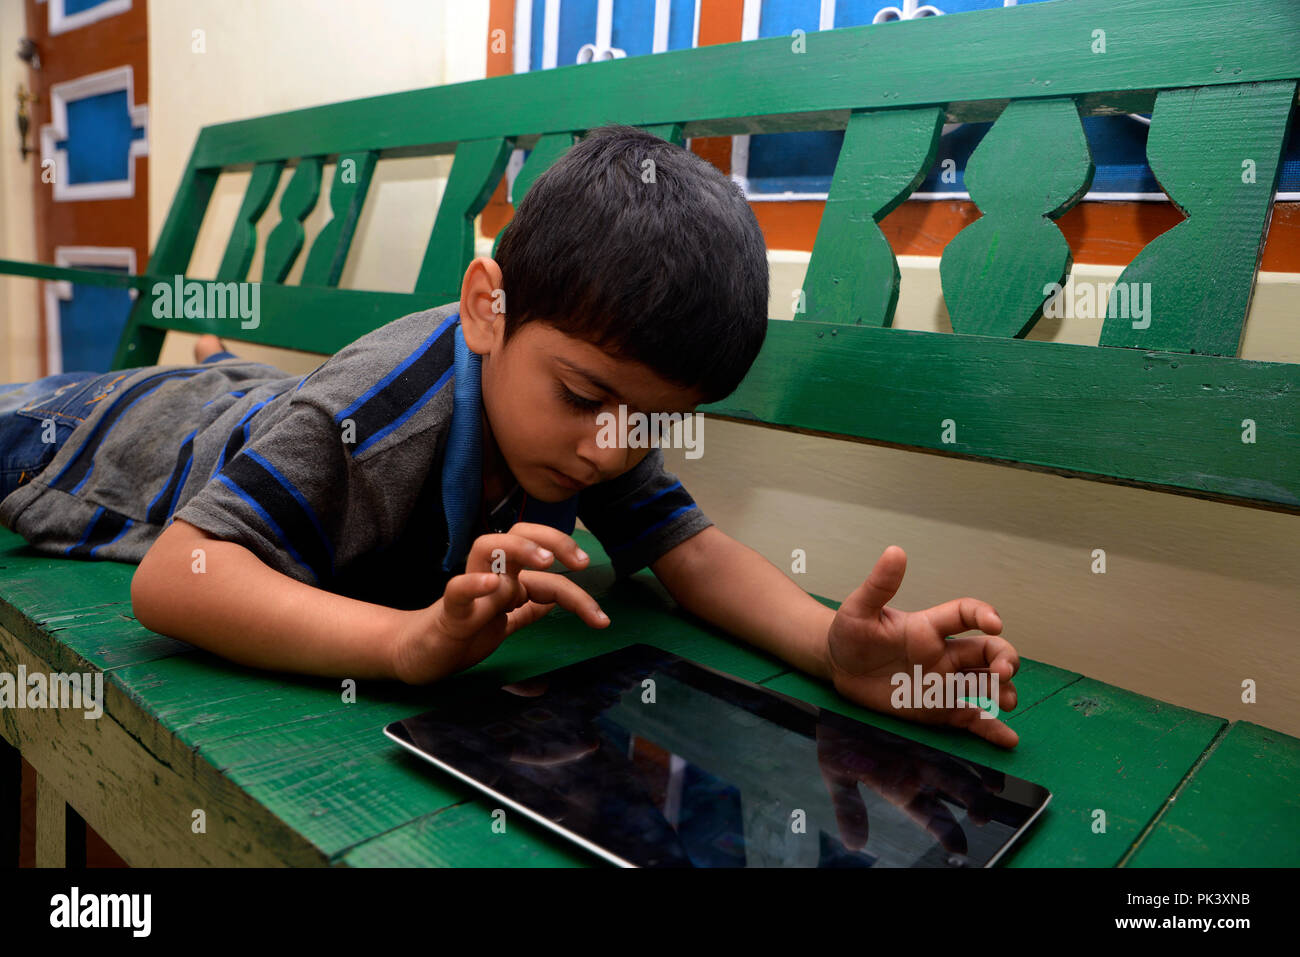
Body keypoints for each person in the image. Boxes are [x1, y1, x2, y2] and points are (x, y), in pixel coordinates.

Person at [0, 125, 1020, 747]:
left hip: (245, 404)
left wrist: (827, 644)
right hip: (100, 443)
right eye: (585, 398)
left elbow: (688, 550)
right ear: (487, 307)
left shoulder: (591, 417)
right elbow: (175, 580)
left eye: (654, 422)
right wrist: (407, 644)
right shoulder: (375, 418)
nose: (615, 451)